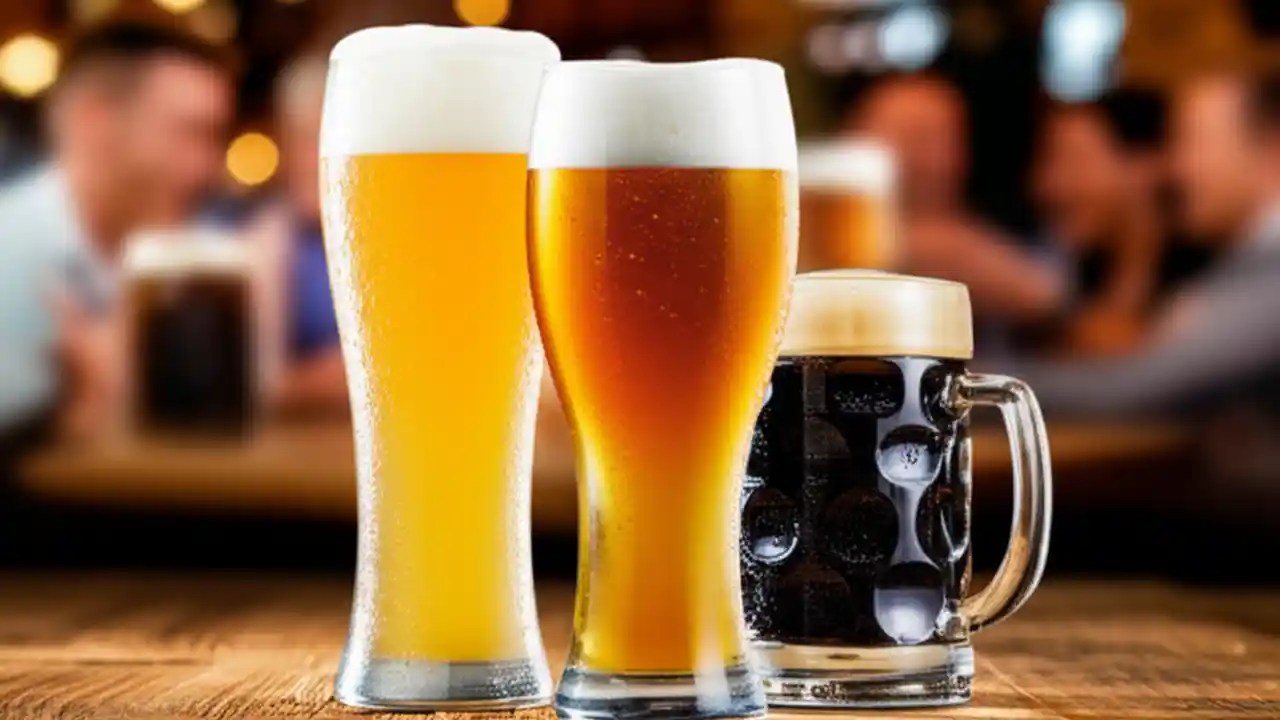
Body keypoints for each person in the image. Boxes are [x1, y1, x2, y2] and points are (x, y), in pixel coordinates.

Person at [0, 24, 234, 446]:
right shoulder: (10, 251)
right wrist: (64, 414)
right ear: (95, 123)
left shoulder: (163, 258)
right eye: (189, 133)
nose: (208, 168)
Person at [1013, 71, 1280, 418]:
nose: (1173, 167)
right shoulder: (1243, 261)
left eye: (1193, 141)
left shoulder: (1267, 275)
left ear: (1273, 148)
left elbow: (1128, 389)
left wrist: (956, 386)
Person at [847, 73, 1065, 323]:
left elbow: (1058, 299)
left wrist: (974, 259)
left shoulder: (1018, 225)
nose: (925, 158)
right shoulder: (815, 237)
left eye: (944, 139)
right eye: (911, 137)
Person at [1032, 88, 1213, 357]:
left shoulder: (1213, 278)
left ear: (1146, 166)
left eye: (1074, 162)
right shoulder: (1077, 270)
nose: (1047, 186)